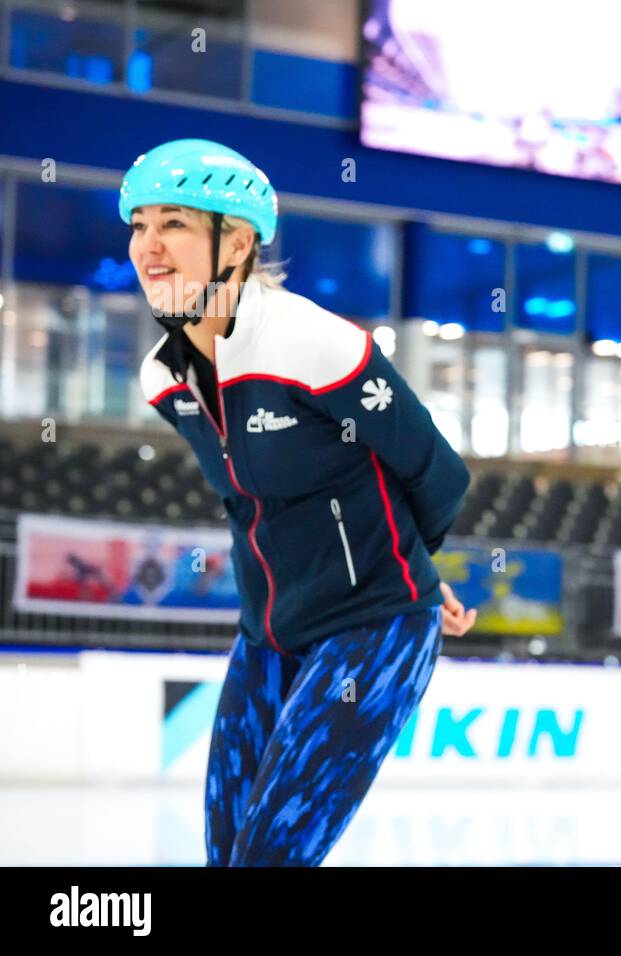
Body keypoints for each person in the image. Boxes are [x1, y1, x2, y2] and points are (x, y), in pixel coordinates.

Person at [123, 139, 476, 865]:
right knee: (227, 854)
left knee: (270, 857)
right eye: (139, 225)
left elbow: (437, 472)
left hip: (374, 628)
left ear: (239, 239)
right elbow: (254, 507)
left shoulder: (313, 344)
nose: (149, 246)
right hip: (270, 634)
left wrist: (413, 575)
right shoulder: (163, 376)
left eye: (175, 224)